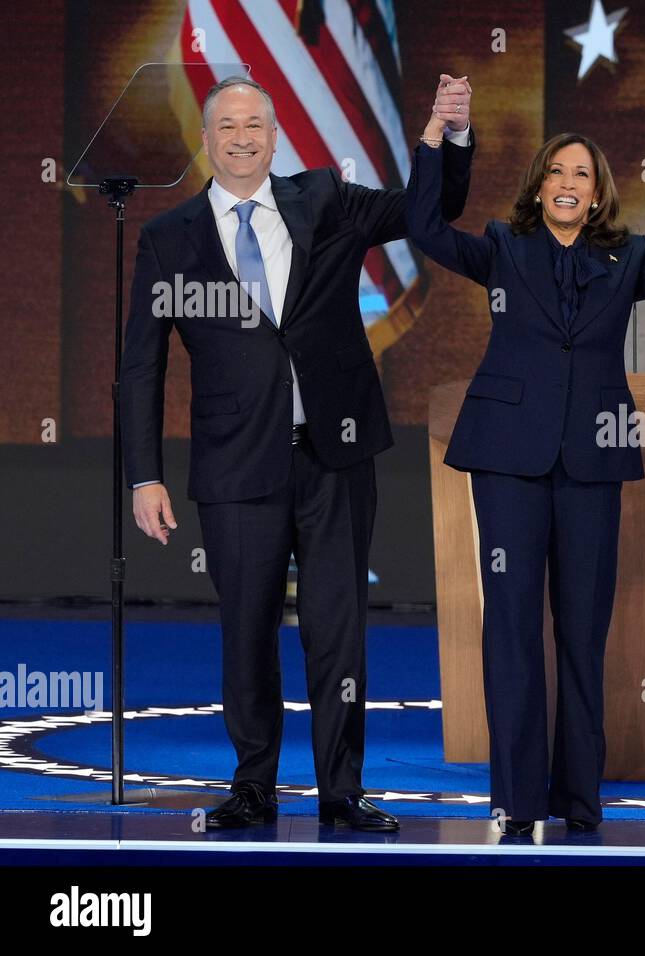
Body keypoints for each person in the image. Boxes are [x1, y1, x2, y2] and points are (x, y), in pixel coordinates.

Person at [121, 74, 477, 831]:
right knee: (246, 630)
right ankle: (252, 786)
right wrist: (143, 475)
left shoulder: (325, 201)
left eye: (257, 125)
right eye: (228, 126)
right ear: (207, 138)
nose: (243, 138)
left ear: (277, 136)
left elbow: (432, 207)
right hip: (235, 464)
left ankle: (341, 790)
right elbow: (141, 366)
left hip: (335, 454)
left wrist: (442, 138)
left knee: (337, 628)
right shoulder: (167, 237)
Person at [407, 93, 645, 836]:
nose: (569, 182)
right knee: (512, 627)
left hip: (592, 460)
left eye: (582, 172)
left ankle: (579, 798)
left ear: (598, 188)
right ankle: (515, 797)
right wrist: (439, 135)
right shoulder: (499, 246)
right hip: (509, 461)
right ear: (540, 184)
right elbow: (422, 226)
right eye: (557, 171)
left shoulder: (630, 255)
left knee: (583, 630)